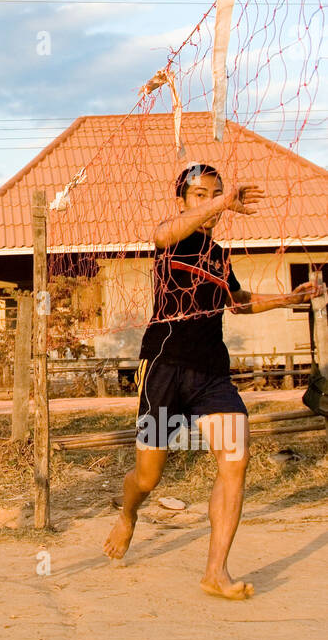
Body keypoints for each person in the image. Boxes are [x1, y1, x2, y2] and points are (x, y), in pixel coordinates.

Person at [103, 162, 319, 599]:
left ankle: (215, 571)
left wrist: (286, 298)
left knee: (234, 460)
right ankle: (128, 514)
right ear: (181, 200)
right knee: (147, 478)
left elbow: (236, 303)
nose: (209, 201)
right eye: (199, 194)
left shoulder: (219, 255)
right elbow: (165, 234)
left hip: (211, 374)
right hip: (164, 368)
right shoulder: (170, 239)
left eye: (215, 193)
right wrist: (225, 200)